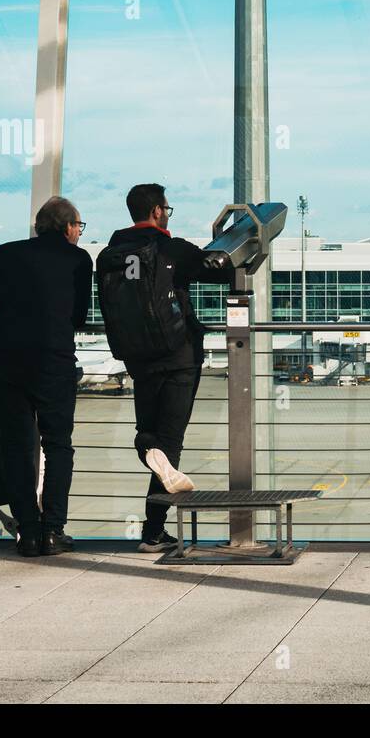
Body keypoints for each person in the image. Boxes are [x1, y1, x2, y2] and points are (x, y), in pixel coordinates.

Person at [0, 196, 92, 557]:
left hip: (7, 362)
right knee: (58, 445)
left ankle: (27, 532)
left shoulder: (7, 254)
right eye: (79, 226)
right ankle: (53, 530)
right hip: (53, 361)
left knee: (17, 446)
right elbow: (79, 317)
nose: (79, 232)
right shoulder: (78, 260)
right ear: (67, 227)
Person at [101, 183, 233, 553]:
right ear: (158, 211)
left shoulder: (111, 251)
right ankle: (153, 532)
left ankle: (147, 451)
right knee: (170, 442)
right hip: (178, 357)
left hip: (138, 357)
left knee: (149, 432)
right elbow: (223, 271)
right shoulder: (170, 249)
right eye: (167, 209)